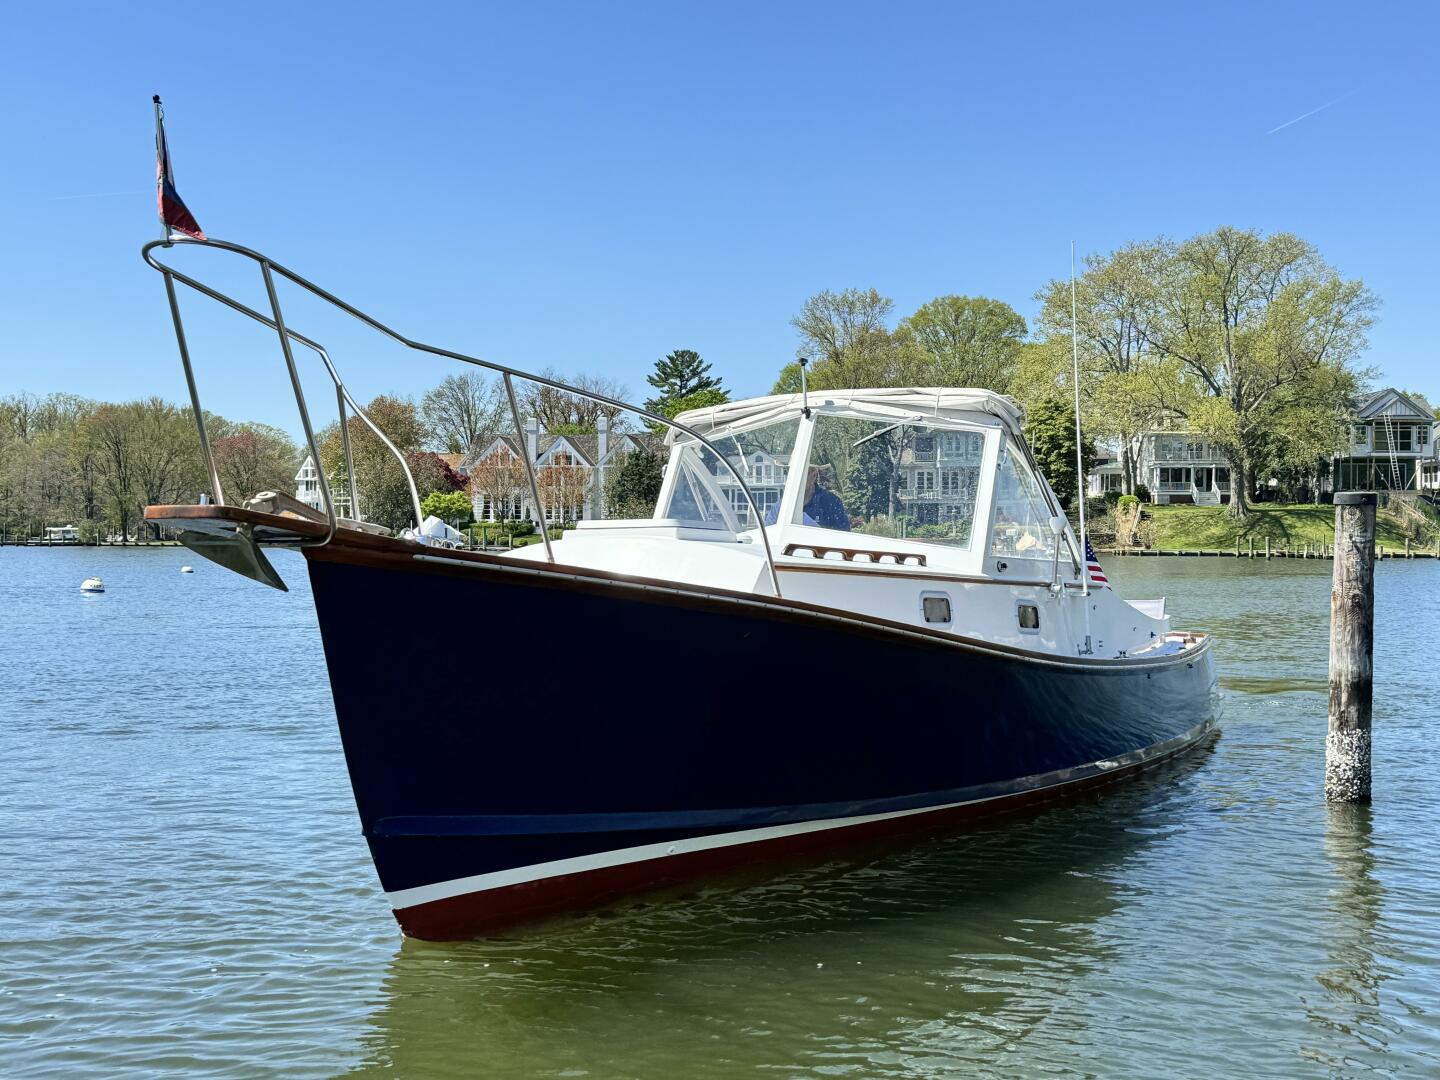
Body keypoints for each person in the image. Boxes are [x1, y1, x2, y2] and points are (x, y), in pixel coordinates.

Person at [764, 465, 851, 531]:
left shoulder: (831, 502)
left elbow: (844, 537)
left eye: (799, 473)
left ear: (814, 475)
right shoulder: (780, 508)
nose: (793, 478)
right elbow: (769, 538)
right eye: (790, 473)